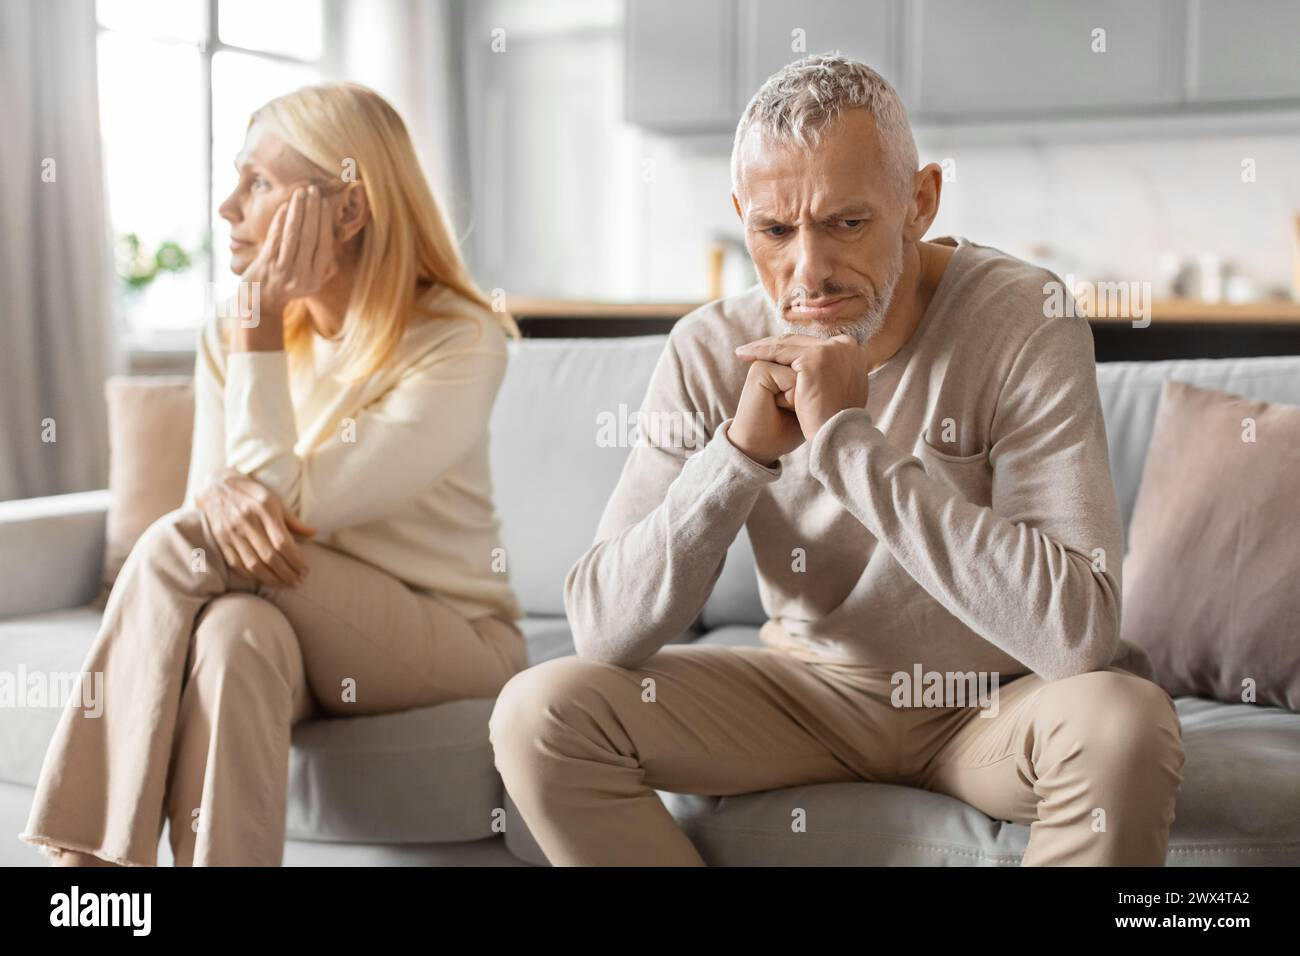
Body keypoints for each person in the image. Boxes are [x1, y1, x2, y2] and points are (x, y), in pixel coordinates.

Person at [489, 54, 1184, 866]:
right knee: (538, 711)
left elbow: (1075, 635)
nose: (808, 271)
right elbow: (602, 628)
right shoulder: (709, 349)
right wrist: (739, 456)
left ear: (919, 202)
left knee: (1122, 725)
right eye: (775, 230)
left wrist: (846, 445)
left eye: (847, 223)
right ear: (741, 215)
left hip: (994, 706)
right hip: (810, 698)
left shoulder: (1026, 317)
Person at [22, 82, 526, 866]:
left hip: (442, 638)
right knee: (232, 638)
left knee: (176, 547)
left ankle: (87, 869)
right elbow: (220, 515)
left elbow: (285, 512)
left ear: (349, 210)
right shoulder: (234, 331)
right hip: (283, 613)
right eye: (236, 178)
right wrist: (221, 477)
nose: (227, 207)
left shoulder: (459, 342)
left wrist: (256, 323)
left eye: (258, 183)